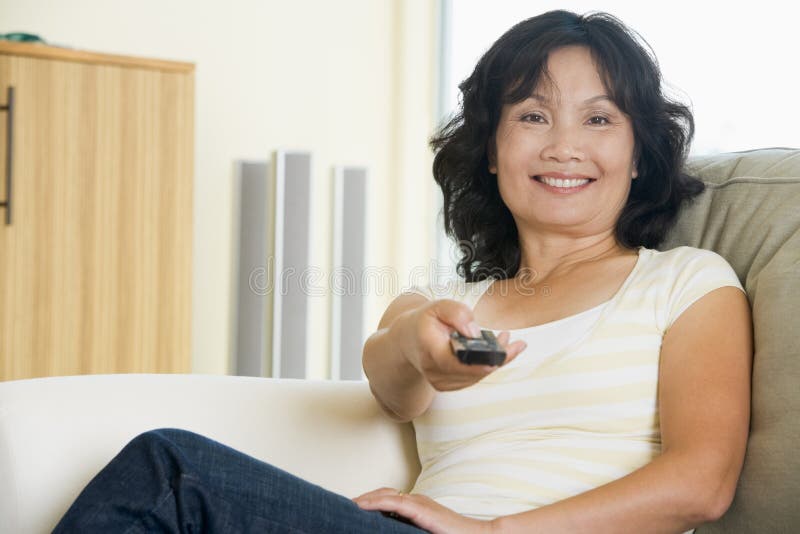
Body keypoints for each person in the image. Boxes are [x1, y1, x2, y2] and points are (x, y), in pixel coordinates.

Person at [54, 10, 752, 534]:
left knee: (168, 475)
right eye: (533, 115)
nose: (564, 145)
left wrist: (489, 532)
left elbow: (701, 483)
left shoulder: (689, 284)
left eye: (599, 119)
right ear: (490, 149)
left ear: (639, 155)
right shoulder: (444, 303)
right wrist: (421, 347)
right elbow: (390, 376)